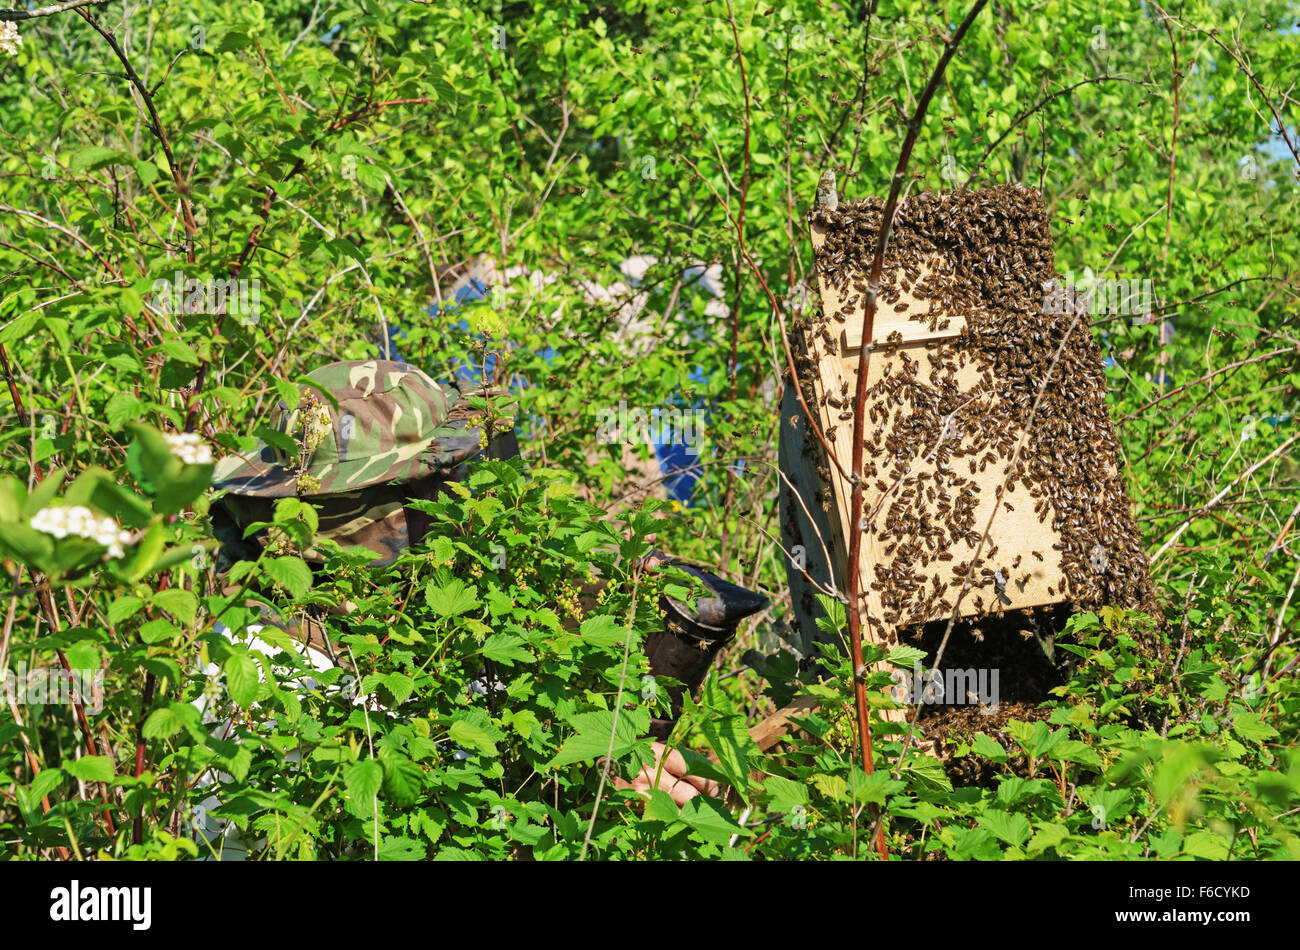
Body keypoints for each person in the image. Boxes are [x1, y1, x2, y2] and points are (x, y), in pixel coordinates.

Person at [207, 358, 767, 819]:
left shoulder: (402, 609)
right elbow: (419, 805)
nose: (460, 502)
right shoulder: (258, 664)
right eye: (433, 485)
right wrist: (584, 793)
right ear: (355, 520)